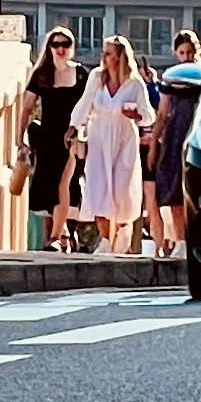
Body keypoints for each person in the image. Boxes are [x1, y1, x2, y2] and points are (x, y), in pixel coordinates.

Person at [71, 34, 154, 254]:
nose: (103, 57)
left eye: (108, 53)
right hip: (98, 137)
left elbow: (149, 116)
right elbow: (85, 103)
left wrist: (136, 115)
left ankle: (122, 233)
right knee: (98, 188)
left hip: (124, 139)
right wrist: (73, 126)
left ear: (119, 57)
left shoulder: (134, 83)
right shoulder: (97, 78)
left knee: (121, 192)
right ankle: (106, 239)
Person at [20, 28, 83, 252]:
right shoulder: (42, 75)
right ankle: (59, 234)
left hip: (71, 138)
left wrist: (82, 131)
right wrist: (20, 140)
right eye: (56, 44)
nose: (60, 49)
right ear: (49, 47)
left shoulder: (81, 74)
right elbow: (27, 108)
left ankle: (57, 235)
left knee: (65, 184)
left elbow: (89, 105)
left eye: (65, 44)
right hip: (47, 138)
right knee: (49, 187)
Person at [148, 32, 201, 255]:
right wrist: (154, 142)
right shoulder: (172, 77)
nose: (187, 56)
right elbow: (162, 113)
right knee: (174, 187)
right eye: (182, 52)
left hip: (197, 131)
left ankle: (196, 238)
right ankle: (180, 240)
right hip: (176, 133)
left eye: (190, 52)